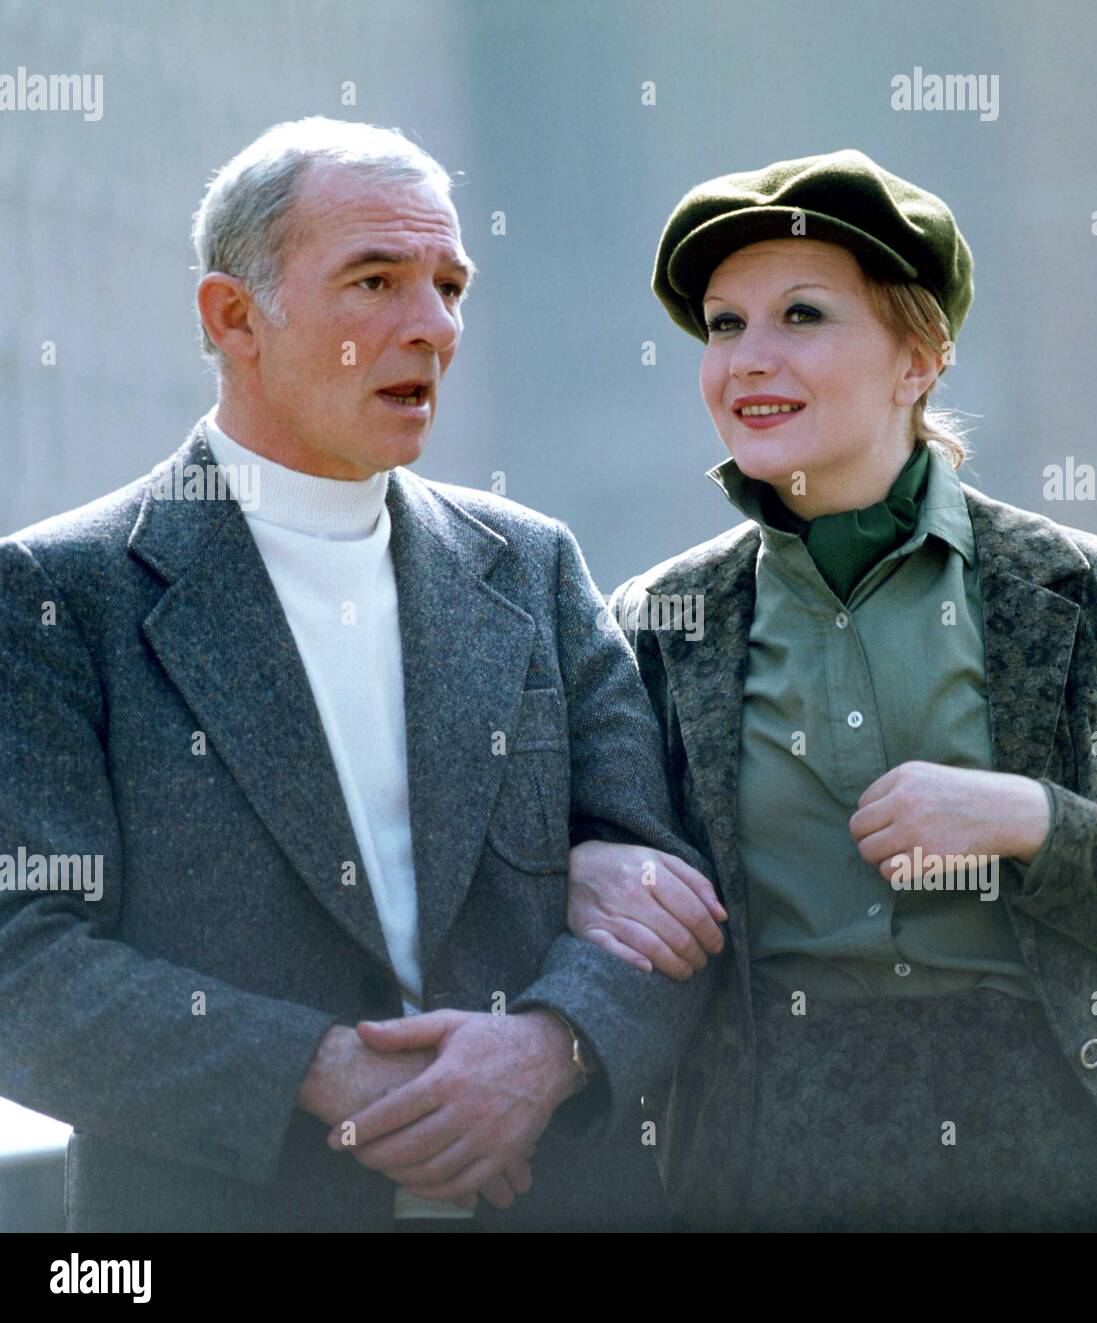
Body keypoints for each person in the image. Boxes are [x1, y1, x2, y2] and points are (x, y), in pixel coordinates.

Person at [0, 117, 717, 1232]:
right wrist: (327, 1071)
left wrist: (546, 1050)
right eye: (376, 280)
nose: (431, 326)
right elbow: (21, 965)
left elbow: (668, 907)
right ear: (232, 316)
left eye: (448, 285)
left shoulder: (531, 565)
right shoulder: (58, 594)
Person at [566, 148, 1097, 1233]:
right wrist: (582, 868)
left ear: (920, 356)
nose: (747, 361)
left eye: (801, 315)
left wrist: (1033, 821)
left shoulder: (1089, 592)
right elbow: (595, 903)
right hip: (771, 1166)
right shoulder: (655, 624)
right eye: (724, 325)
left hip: (1076, 1161)